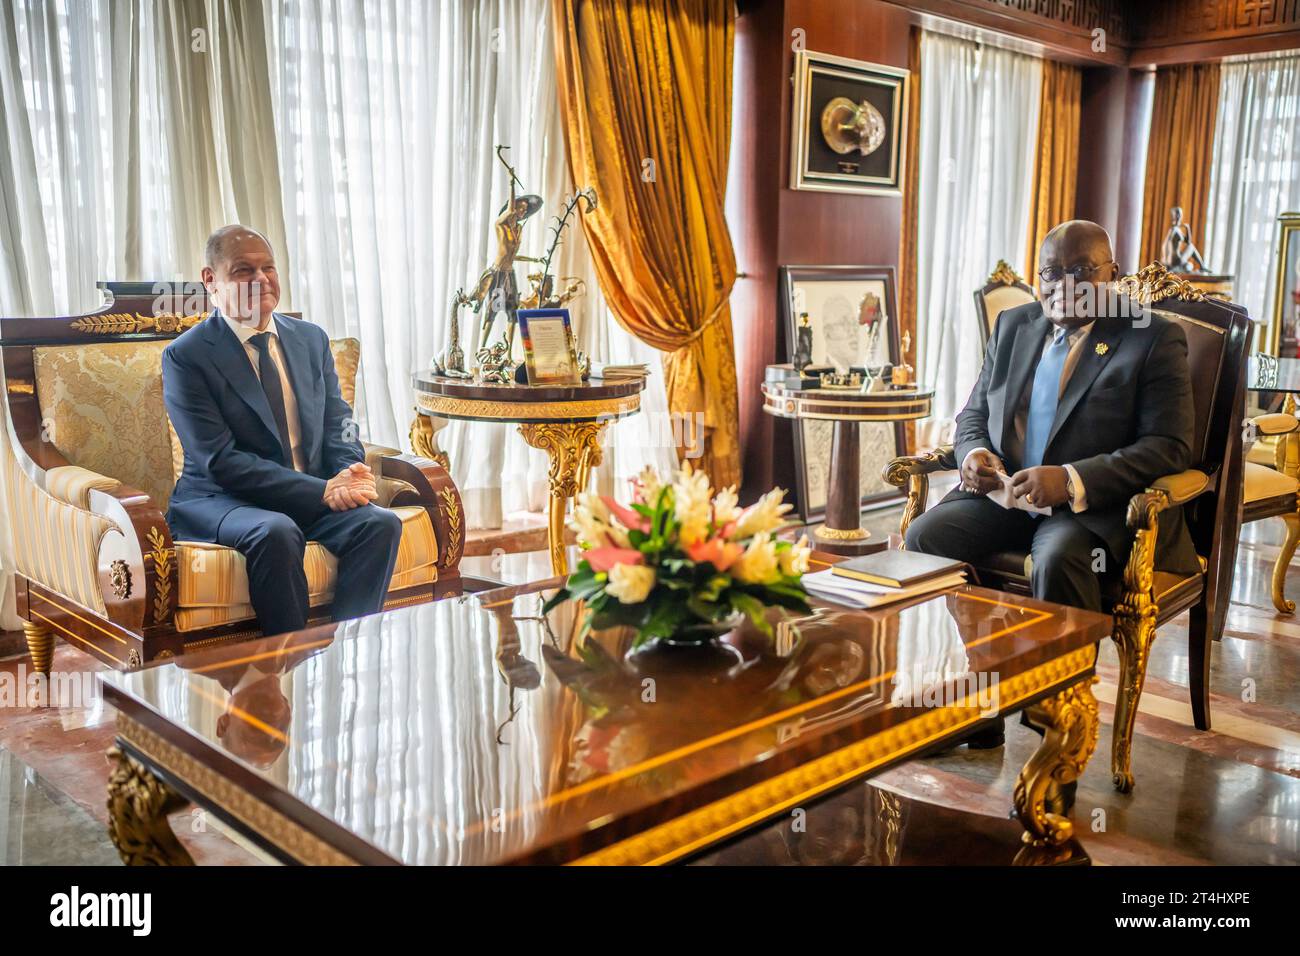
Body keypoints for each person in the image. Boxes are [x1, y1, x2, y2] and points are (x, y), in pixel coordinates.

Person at [905, 220, 1198, 750]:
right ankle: (983, 697)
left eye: (1083, 270)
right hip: (1007, 495)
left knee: (1062, 558)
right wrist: (973, 453)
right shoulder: (1014, 326)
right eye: (1052, 272)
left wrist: (1070, 480)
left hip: (1093, 509)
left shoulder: (1152, 337)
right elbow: (974, 413)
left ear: (1115, 274)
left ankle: (1061, 721)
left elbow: (1170, 447)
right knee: (926, 537)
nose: (1065, 284)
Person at [163, 225, 402, 637]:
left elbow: (340, 423)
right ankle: (288, 662)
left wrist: (350, 473)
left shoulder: (310, 340)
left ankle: (349, 647)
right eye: (243, 270)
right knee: (276, 531)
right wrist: (321, 491)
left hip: (309, 491)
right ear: (210, 281)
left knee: (379, 523)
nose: (261, 280)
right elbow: (220, 461)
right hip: (223, 500)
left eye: (268, 268)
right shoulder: (186, 357)